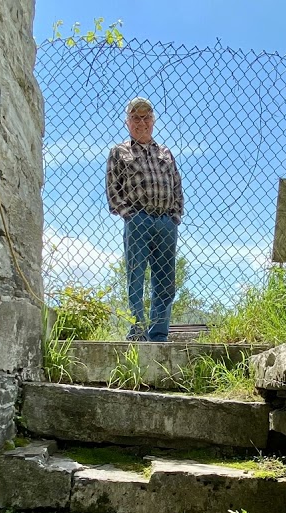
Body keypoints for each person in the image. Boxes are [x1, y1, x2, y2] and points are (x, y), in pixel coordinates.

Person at [105, 97, 184, 342]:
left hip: (165, 223)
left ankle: (159, 334)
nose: (142, 122)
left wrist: (175, 216)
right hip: (137, 219)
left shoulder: (165, 153)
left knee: (165, 281)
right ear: (128, 122)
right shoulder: (119, 152)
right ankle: (137, 331)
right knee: (136, 277)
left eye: (146, 117)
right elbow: (112, 189)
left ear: (153, 121)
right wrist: (127, 213)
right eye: (136, 118)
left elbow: (177, 186)